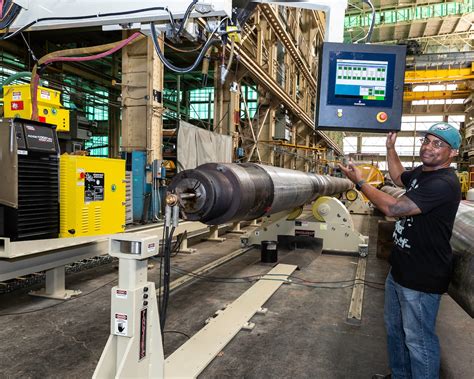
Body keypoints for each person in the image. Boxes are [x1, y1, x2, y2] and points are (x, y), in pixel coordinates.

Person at [338, 122, 462, 379]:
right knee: (395, 331)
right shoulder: (422, 174)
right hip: (401, 270)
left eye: (438, 144)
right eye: (427, 140)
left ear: (453, 153)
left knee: (419, 342)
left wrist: (360, 183)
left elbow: (395, 209)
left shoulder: (444, 183)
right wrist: (391, 148)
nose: (429, 147)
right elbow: (398, 177)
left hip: (422, 276)